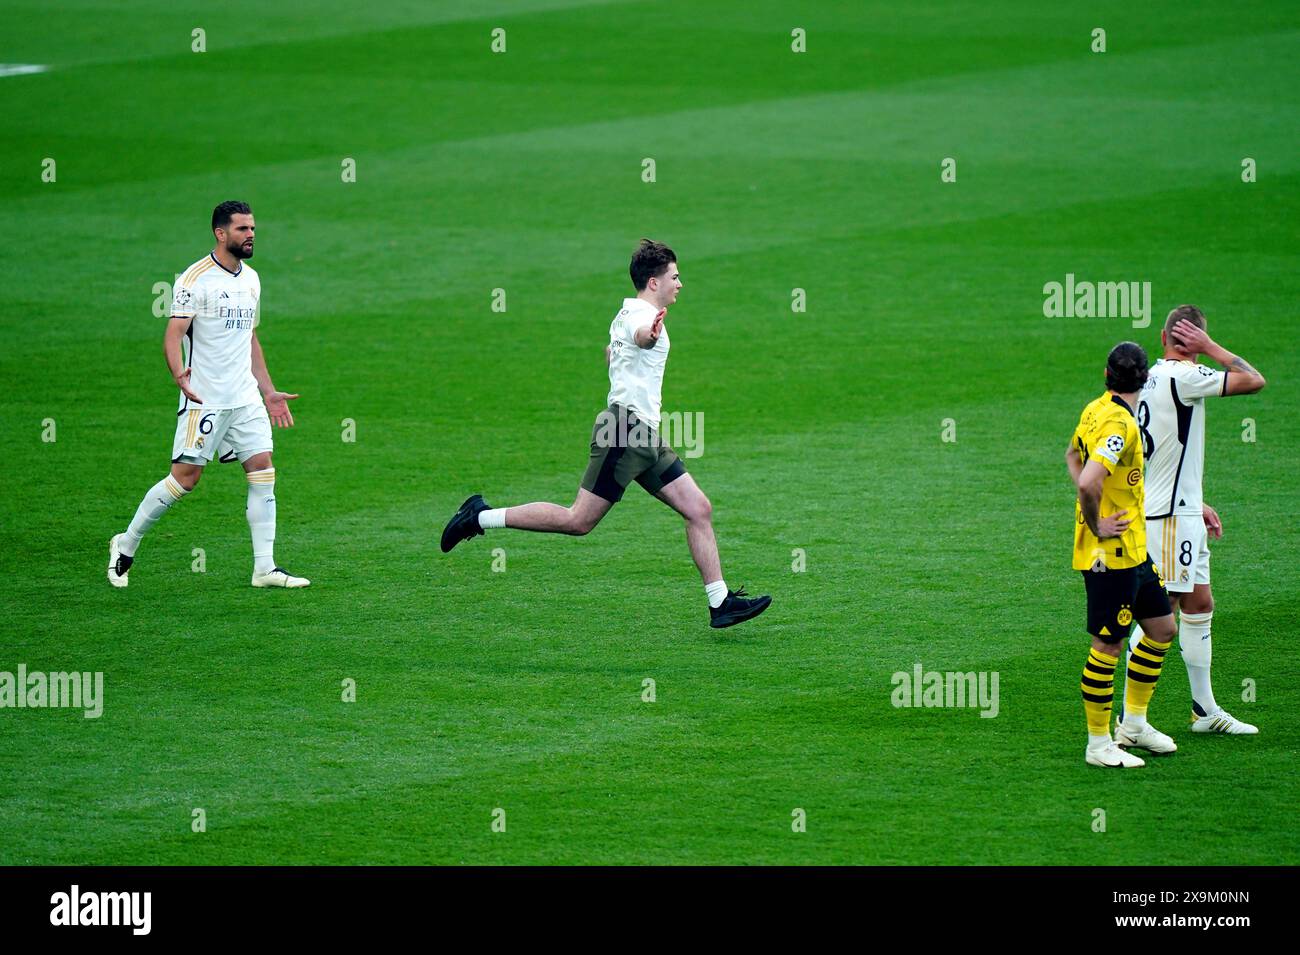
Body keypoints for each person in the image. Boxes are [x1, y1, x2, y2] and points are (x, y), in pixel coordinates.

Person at [440, 239, 770, 628]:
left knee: (698, 508)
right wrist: (649, 335)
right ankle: (480, 517)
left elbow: (612, 352)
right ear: (653, 282)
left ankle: (720, 602)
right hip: (624, 433)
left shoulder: (627, 311)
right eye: (674, 277)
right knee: (578, 520)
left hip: (644, 436)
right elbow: (639, 335)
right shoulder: (640, 316)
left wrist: (625, 358)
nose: (680, 284)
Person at [108, 201, 309, 589]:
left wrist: (268, 392)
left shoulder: (251, 279)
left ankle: (264, 568)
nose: (250, 235)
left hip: (245, 398)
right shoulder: (193, 279)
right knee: (185, 479)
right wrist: (178, 374)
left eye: (252, 228)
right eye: (242, 229)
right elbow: (173, 334)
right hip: (206, 398)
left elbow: (249, 337)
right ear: (221, 234)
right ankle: (126, 542)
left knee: (262, 469)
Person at [1124, 306, 1266, 734]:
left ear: (1161, 334)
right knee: (1159, 616)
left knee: (1199, 604)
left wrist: (1195, 500)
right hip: (1168, 519)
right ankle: (1131, 720)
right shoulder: (1183, 377)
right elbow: (1253, 380)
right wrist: (1212, 349)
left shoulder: (1145, 378)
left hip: (1176, 509)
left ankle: (1204, 711)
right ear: (1194, 341)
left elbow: (1156, 450)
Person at [1066, 342, 1178, 767]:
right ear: (1145, 378)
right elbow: (1088, 479)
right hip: (1107, 554)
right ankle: (1098, 744)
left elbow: (1072, 455)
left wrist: (1091, 506)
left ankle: (1133, 724)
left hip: (1133, 550)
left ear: (1106, 375)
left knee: (1162, 627)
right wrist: (1096, 524)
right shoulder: (1120, 426)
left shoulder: (1095, 409)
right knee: (1108, 645)